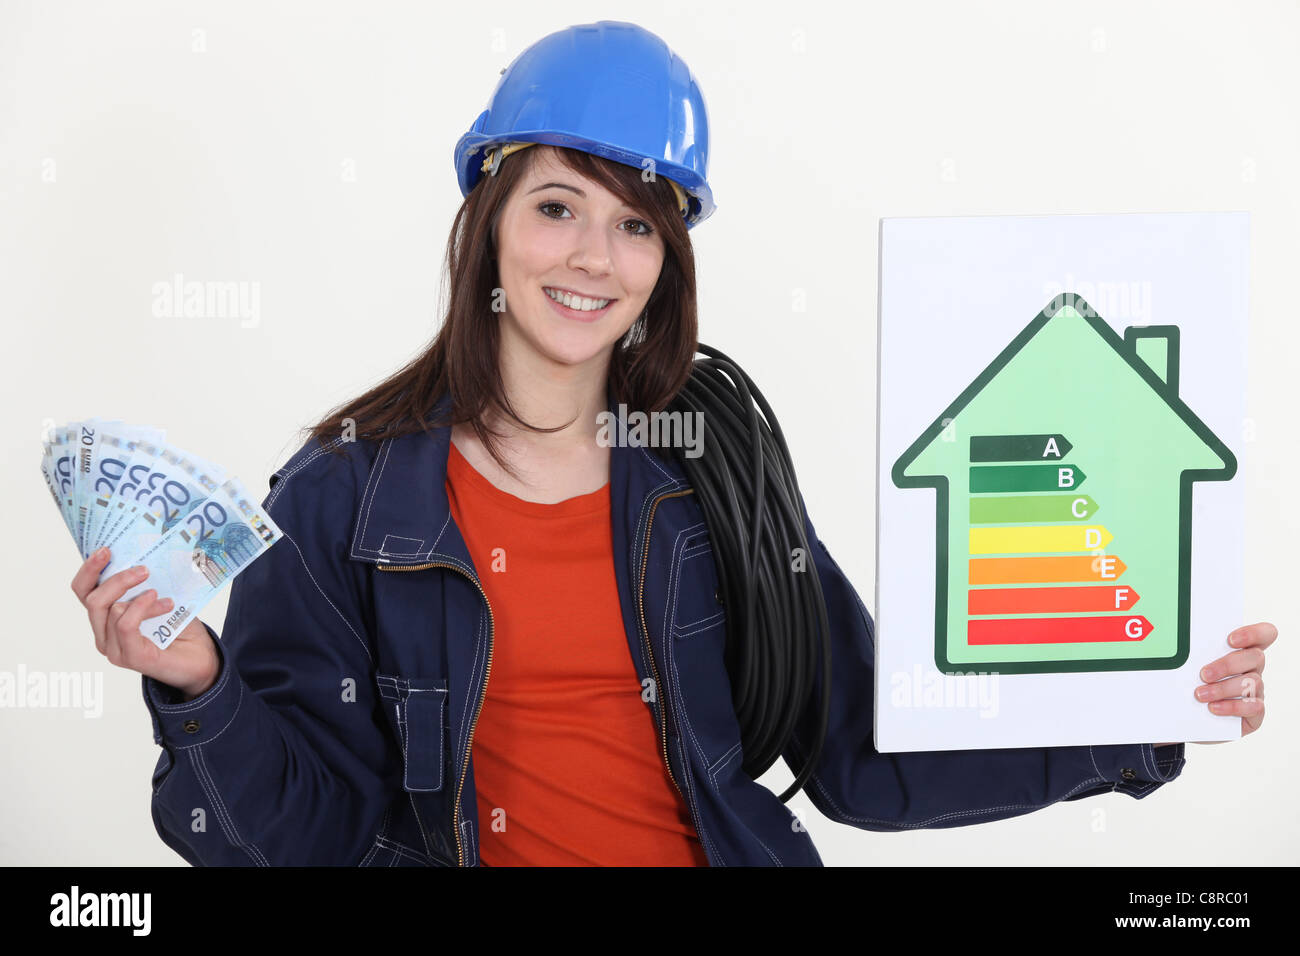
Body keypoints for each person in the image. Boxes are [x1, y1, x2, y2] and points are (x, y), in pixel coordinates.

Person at [71, 21, 1275, 867]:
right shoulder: (346, 494)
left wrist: (1147, 707)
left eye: (635, 224)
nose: (593, 257)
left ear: (665, 261)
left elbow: (856, 747)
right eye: (557, 207)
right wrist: (200, 686)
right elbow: (306, 838)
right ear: (489, 225)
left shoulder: (710, 470)